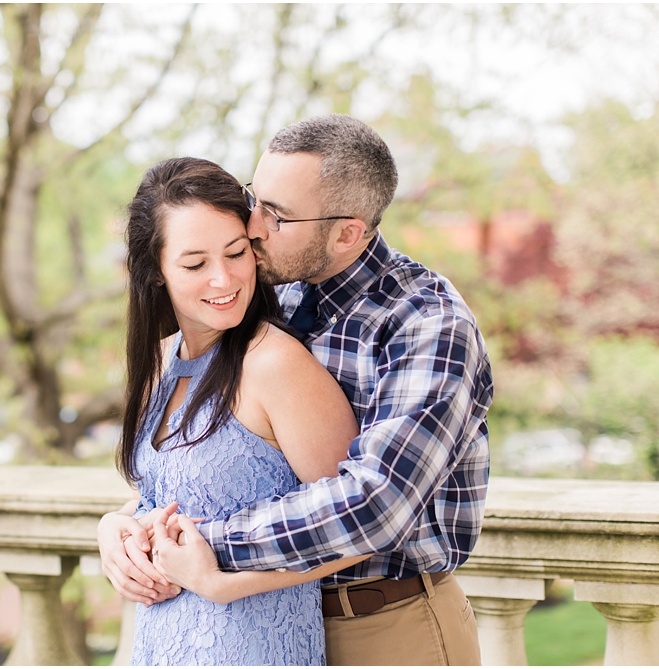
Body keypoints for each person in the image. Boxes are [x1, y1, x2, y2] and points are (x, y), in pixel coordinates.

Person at [100, 115, 493, 666]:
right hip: (257, 620)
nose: (253, 225)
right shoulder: (271, 302)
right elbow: (225, 471)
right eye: (255, 198)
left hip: (383, 623)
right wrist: (122, 525)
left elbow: (377, 504)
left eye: (277, 215)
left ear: (347, 233)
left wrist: (206, 549)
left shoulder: (426, 322)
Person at [113, 156, 371, 665]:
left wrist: (225, 585)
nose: (223, 278)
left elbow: (360, 530)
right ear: (156, 272)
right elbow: (166, 497)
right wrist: (113, 529)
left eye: (236, 253)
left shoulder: (275, 364)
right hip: (161, 646)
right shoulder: (159, 363)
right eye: (194, 264)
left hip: (253, 646)